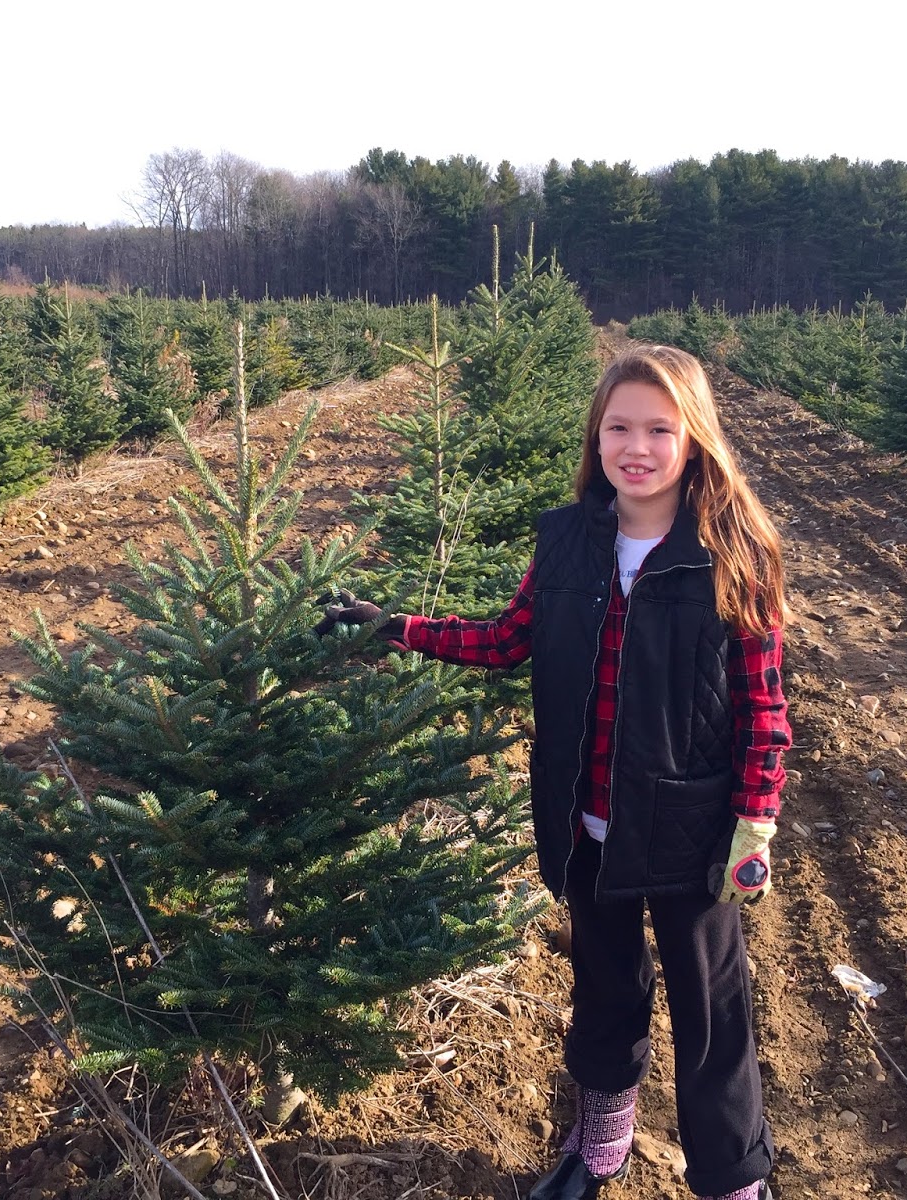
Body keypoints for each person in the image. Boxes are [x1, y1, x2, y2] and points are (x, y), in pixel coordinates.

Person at [318, 344, 789, 1200]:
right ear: (596, 438)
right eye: (618, 427)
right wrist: (394, 627)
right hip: (589, 822)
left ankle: (733, 1180)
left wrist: (755, 818)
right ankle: (600, 1146)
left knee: (711, 1017)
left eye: (658, 428)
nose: (635, 447)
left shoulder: (733, 551)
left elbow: (764, 708)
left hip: (693, 834)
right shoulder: (569, 541)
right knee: (605, 989)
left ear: (695, 439)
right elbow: (505, 639)